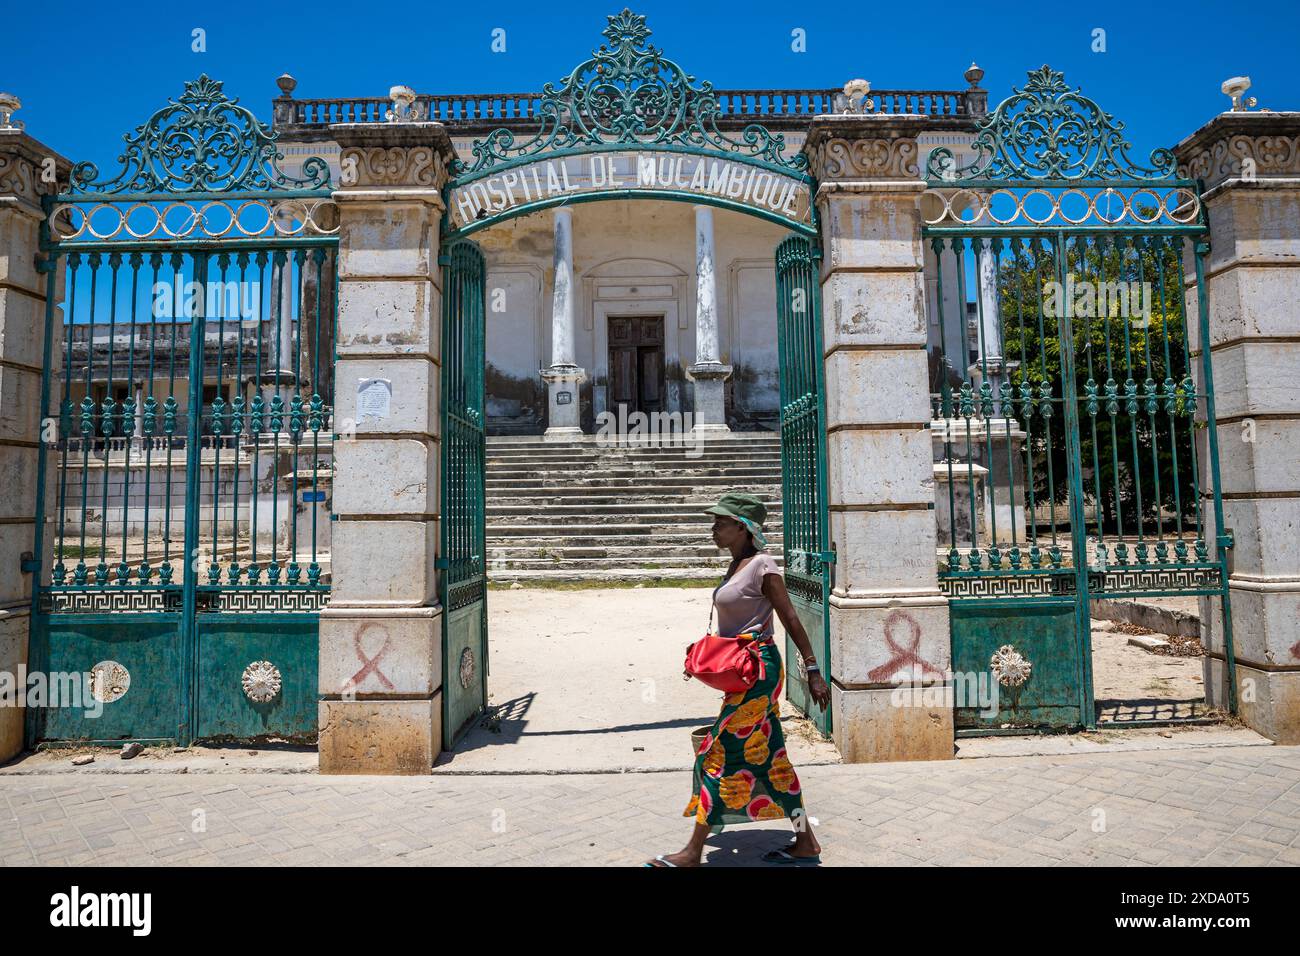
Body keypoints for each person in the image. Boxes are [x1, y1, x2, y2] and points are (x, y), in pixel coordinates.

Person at [646, 491, 831, 867]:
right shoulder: (736, 565)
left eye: (721, 522)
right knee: (772, 760)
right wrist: (705, 654)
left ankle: (693, 852)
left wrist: (812, 670)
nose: (713, 528)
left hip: (759, 672)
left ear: (744, 528)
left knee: (718, 753)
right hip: (742, 670)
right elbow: (733, 624)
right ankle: (805, 841)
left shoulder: (763, 565)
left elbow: (790, 618)